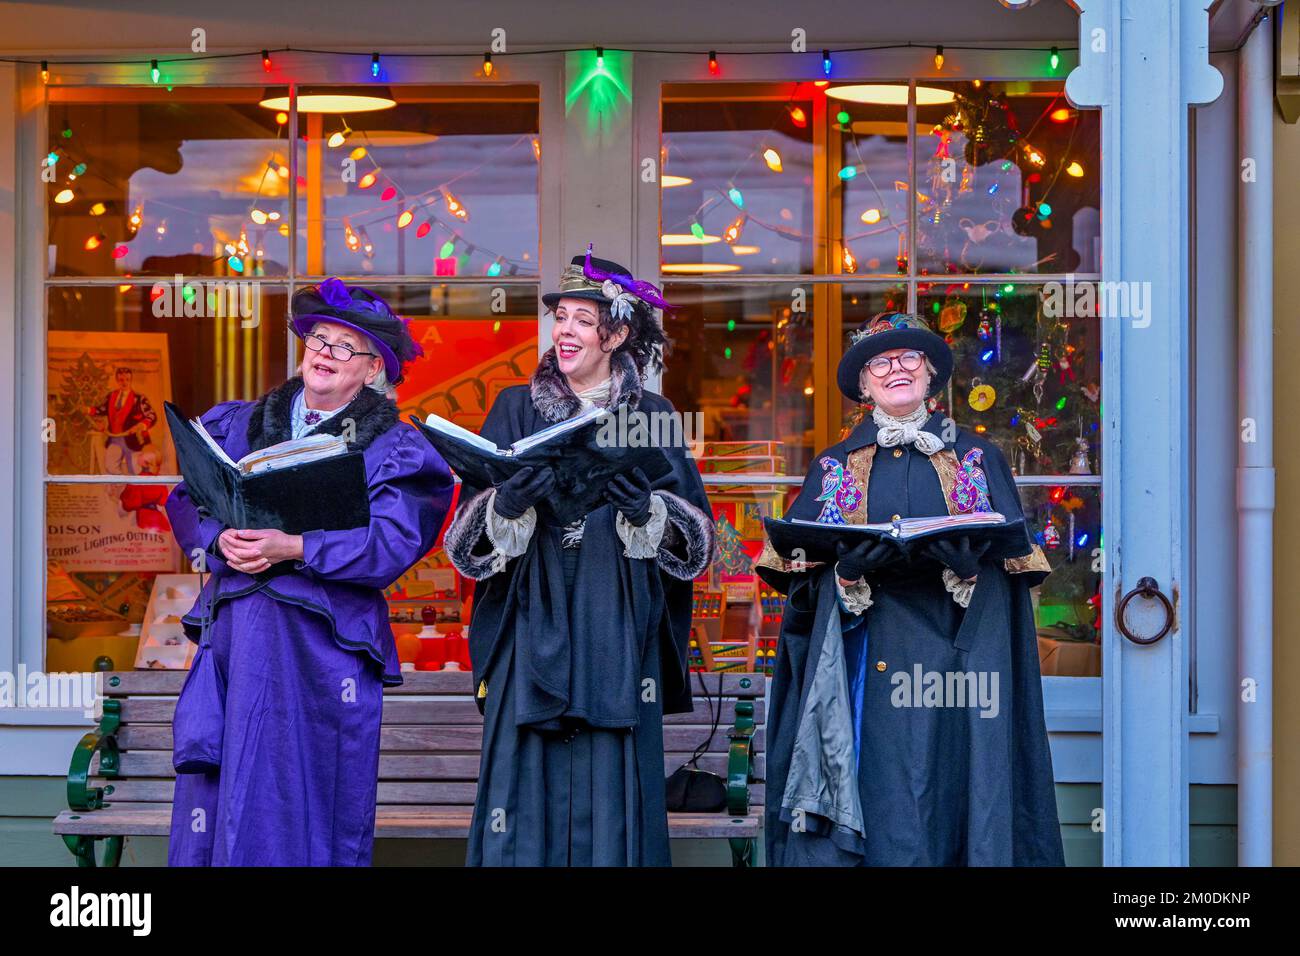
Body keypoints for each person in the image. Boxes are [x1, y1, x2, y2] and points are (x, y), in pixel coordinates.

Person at [757, 311, 1063, 866]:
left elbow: (1018, 576)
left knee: (950, 802)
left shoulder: (978, 457)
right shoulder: (832, 466)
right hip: (864, 673)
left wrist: (972, 573)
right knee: (881, 804)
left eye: (908, 358)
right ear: (864, 384)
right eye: (880, 362)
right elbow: (797, 586)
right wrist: (846, 575)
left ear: (929, 373)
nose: (896, 369)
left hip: (959, 674)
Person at [165, 277, 454, 866]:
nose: (325, 352)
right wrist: (218, 538)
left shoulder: (397, 449)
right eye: (319, 338)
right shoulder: (236, 423)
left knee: (307, 793)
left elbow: (391, 543)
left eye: (345, 346)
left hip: (322, 647)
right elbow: (187, 499)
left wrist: (294, 546)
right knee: (220, 791)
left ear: (373, 369)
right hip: (235, 633)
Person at [443, 245, 715, 866]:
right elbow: (467, 542)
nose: (564, 331)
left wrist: (647, 510)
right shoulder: (514, 407)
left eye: (582, 320)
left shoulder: (652, 415)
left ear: (616, 335)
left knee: (612, 781)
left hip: (615, 613)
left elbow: (695, 546)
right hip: (528, 611)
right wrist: (505, 504)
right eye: (560, 317)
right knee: (521, 780)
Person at [86, 366, 156, 475]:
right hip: (115, 439)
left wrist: (142, 425)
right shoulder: (111, 396)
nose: (124, 383)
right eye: (121, 380)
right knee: (110, 466)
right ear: (117, 381)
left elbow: (151, 415)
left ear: (130, 380)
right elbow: (102, 409)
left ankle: (133, 485)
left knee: (135, 471)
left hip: (133, 441)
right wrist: (89, 410)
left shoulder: (139, 399)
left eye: (127, 379)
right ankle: (122, 485)